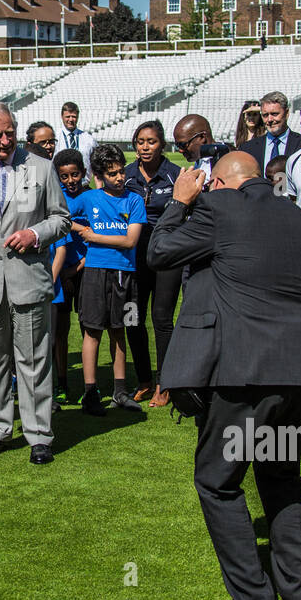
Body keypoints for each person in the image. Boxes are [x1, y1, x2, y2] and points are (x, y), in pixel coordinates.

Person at [147, 152, 301, 600]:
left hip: (247, 373)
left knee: (218, 482)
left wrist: (179, 201)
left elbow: (159, 252)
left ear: (217, 182)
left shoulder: (218, 208)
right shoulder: (297, 214)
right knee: (281, 477)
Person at [0, 102, 70, 465]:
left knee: (34, 360)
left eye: (10, 133)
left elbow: (61, 219)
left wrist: (35, 234)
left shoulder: (41, 167)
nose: (5, 141)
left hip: (28, 280)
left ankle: (39, 435)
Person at [69, 144, 146, 415]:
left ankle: (120, 392)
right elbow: (62, 216)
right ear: (100, 175)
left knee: (119, 330)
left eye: (121, 171)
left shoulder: (134, 200)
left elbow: (130, 240)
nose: (120, 177)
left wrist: (93, 236)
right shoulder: (89, 198)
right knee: (91, 331)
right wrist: (80, 228)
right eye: (112, 173)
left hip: (125, 274)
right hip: (94, 273)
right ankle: (90, 393)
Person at [123, 119, 182, 407]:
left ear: (162, 145)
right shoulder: (126, 175)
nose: (145, 147)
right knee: (132, 318)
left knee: (161, 320)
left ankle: (165, 382)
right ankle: (144, 379)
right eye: (140, 142)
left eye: (151, 142)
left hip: (167, 258)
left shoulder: (175, 175)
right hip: (134, 258)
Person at [52, 148, 87, 406]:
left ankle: (90, 384)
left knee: (89, 330)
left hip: (86, 270)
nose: (70, 180)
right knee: (60, 333)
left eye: (75, 174)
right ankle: (61, 382)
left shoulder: (92, 197)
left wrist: (78, 267)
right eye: (64, 176)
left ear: (83, 173)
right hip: (61, 271)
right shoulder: (56, 199)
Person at [237, 91, 301, 171]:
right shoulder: (248, 149)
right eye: (265, 115)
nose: (270, 119)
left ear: (286, 114)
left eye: (274, 114)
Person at [53, 101, 97, 165]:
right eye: (68, 116)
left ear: (78, 117)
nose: (71, 120)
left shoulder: (89, 139)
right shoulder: (55, 138)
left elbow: (97, 162)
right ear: (62, 117)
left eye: (74, 116)